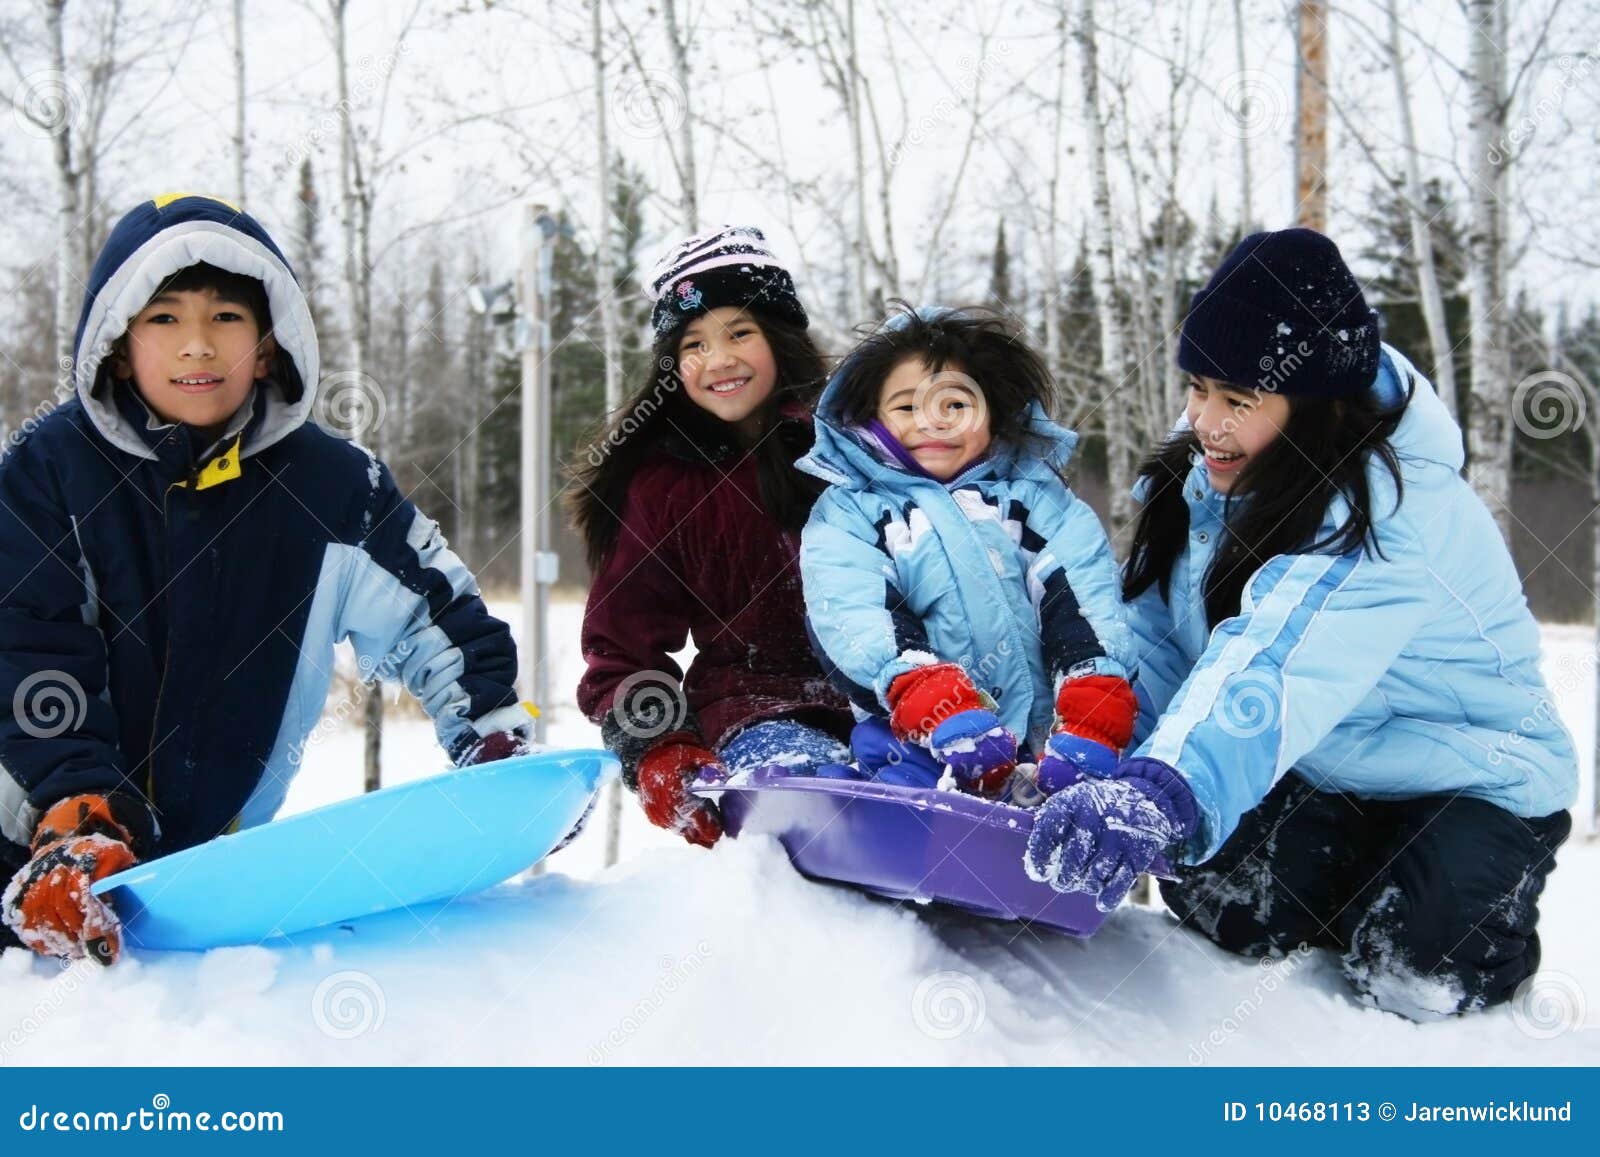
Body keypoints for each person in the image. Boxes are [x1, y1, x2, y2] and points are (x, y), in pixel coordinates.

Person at [1024, 227, 1577, 1020]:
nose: (1206, 421)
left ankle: (1453, 903)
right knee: (1220, 897)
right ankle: (1358, 882)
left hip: (1471, 782)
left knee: (1417, 967)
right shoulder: (1203, 481)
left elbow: (1272, 662)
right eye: (1198, 387)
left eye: (1238, 400)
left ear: (1316, 405)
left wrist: (1164, 790)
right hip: (1326, 770)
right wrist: (1084, 760)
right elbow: (1153, 646)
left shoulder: (1394, 508)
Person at [0, 194, 536, 964]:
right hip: (32, 845)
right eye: (165, 319)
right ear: (119, 345)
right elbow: (26, 646)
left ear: (267, 343)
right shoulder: (48, 471)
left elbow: (431, 613)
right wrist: (75, 811)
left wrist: (487, 732)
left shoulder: (333, 485)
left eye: (225, 318)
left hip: (209, 875)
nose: (197, 347)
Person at [572, 225, 852, 848]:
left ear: (781, 339)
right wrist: (658, 749)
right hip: (756, 710)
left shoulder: (853, 449)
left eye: (740, 333)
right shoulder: (662, 486)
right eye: (693, 343)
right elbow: (622, 648)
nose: (717, 360)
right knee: (810, 805)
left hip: (894, 701)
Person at [798, 304, 1139, 801]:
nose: (932, 424)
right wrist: (926, 692)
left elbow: (1084, 596)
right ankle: (878, 823)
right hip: (917, 730)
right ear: (871, 418)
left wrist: (1092, 692)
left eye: (954, 406)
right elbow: (851, 606)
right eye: (908, 407)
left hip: (1044, 738)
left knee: (1088, 781)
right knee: (897, 769)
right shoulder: (854, 513)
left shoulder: (1036, 500)